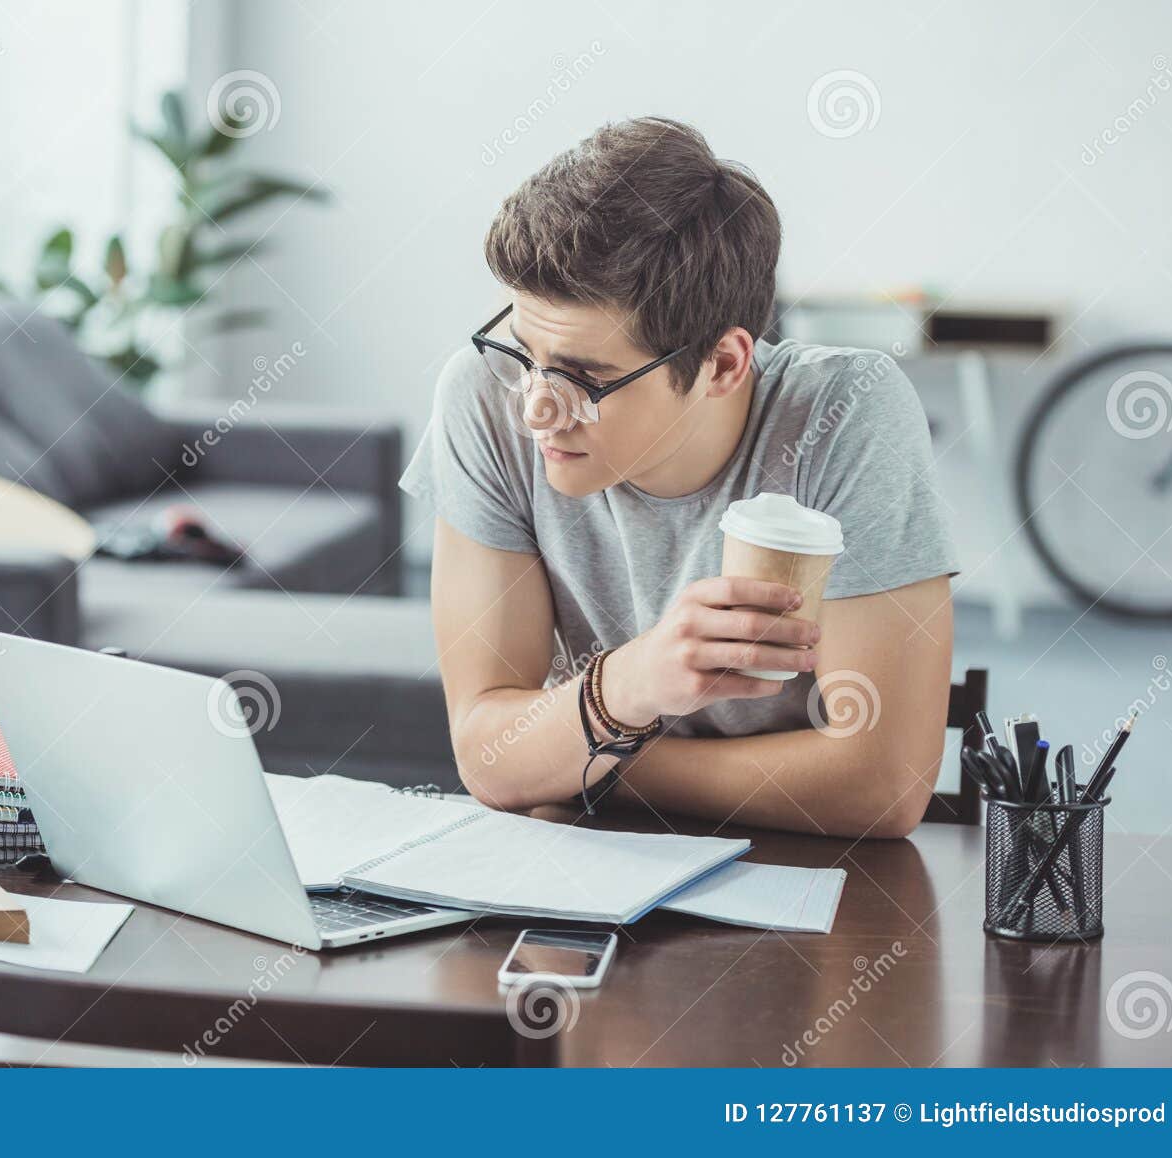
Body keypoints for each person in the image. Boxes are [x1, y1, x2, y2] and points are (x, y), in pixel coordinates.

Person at [400, 118, 959, 838]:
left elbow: (880, 786)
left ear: (725, 365)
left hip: (801, 884)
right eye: (523, 349)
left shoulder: (846, 414)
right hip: (584, 880)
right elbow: (486, 757)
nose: (537, 405)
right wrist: (636, 681)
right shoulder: (485, 393)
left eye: (585, 376)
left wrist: (583, 759)